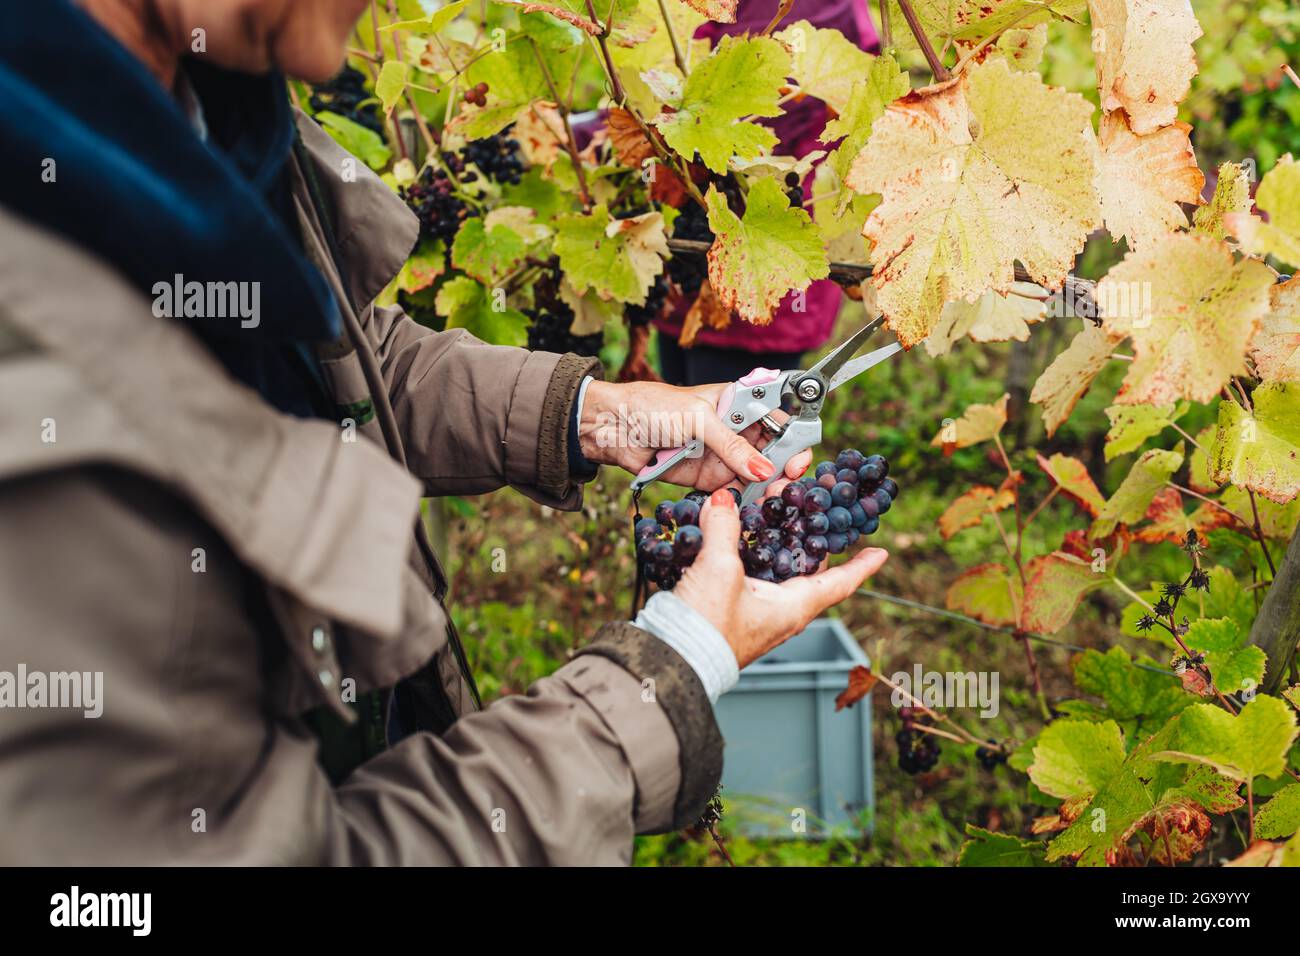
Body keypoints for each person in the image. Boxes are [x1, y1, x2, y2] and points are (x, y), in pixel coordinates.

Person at [0, 0, 888, 864]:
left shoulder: (206, 97)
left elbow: (332, 363)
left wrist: (598, 413)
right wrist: (667, 676)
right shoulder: (34, 371)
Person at [656, 0, 880, 386]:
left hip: (768, 268)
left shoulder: (824, 9)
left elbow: (758, 120)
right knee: (677, 422)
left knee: (734, 429)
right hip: (688, 259)